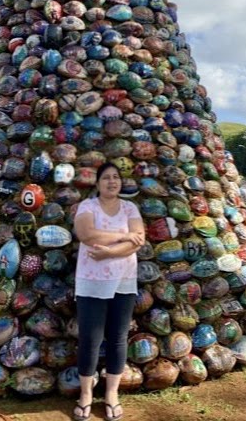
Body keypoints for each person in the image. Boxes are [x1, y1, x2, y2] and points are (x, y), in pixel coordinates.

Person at [72, 163, 146, 421]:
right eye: (106, 178)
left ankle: (112, 394)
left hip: (123, 282)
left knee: (117, 338)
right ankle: (86, 395)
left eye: (116, 177)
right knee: (90, 339)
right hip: (91, 283)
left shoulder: (130, 208)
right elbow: (85, 233)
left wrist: (109, 251)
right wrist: (124, 236)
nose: (112, 182)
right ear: (98, 183)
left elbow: (140, 238)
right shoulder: (87, 207)